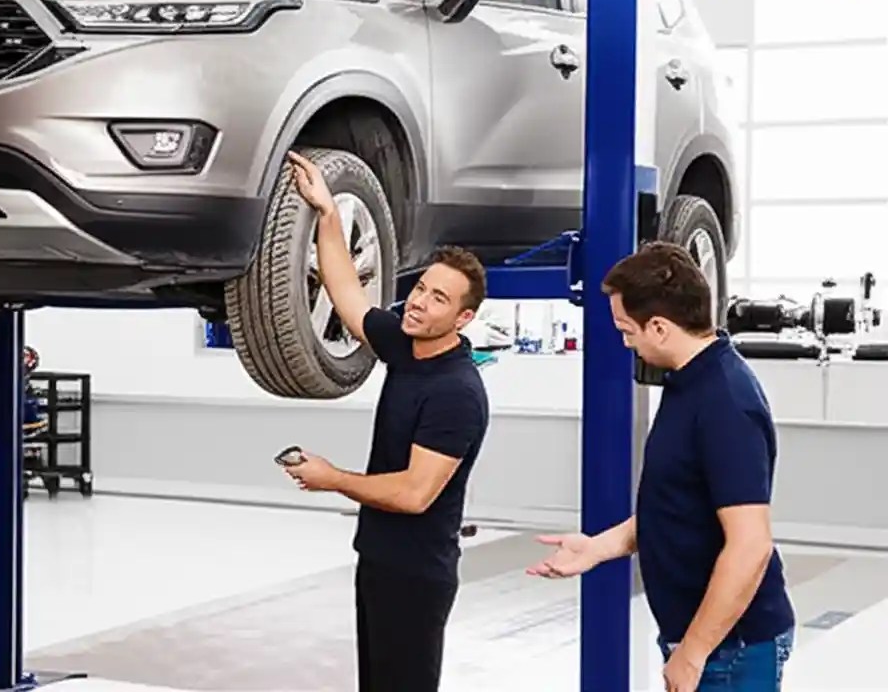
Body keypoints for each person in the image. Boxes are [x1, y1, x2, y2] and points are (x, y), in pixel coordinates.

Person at [527, 241, 795, 692]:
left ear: (659, 326)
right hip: (708, 644)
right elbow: (677, 508)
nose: (625, 341)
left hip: (733, 651)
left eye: (627, 330)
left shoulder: (725, 401)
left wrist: (693, 653)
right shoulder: (689, 383)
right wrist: (598, 548)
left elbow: (751, 546)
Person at [281, 151, 490, 692]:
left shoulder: (457, 393)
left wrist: (333, 479)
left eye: (438, 299)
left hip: (418, 576)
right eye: (422, 288)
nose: (419, 302)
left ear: (463, 318)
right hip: (377, 559)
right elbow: (348, 296)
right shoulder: (405, 346)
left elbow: (416, 494)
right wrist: (328, 214)